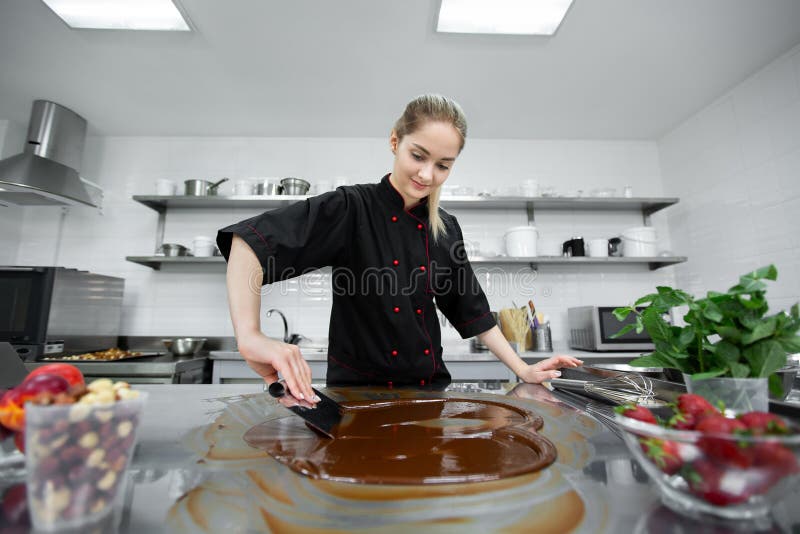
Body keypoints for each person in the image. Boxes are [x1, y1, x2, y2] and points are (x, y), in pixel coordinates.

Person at [217, 94, 581, 402]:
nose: (427, 175)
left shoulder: (447, 229)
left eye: (443, 165)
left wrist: (523, 370)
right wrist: (249, 337)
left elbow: (473, 313)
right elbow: (248, 244)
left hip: (428, 397)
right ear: (395, 142)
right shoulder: (350, 208)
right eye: (418, 156)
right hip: (357, 399)